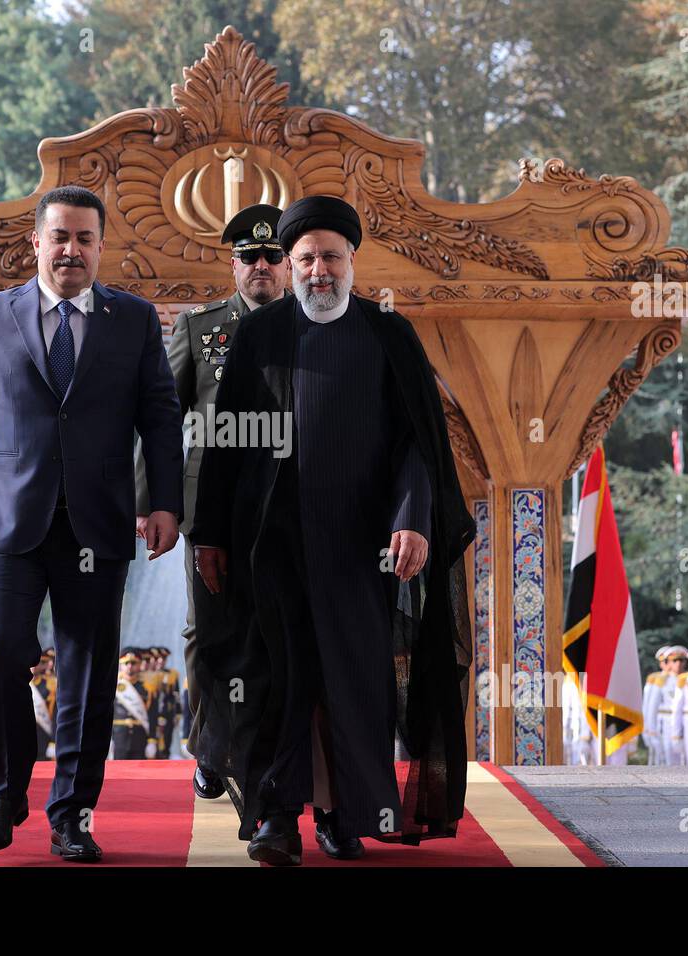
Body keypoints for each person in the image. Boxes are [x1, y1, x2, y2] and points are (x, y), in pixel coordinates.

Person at [191, 195, 477, 865]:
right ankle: (276, 819)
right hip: (273, 546)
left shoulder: (388, 333)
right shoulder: (261, 335)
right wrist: (209, 532)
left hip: (362, 548)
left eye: (331, 256)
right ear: (289, 267)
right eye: (307, 258)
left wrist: (413, 521)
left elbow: (418, 445)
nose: (320, 269)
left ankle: (343, 812)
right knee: (277, 680)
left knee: (353, 679)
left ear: (353, 261)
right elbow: (224, 444)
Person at [0, 185, 184, 862]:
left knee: (89, 671)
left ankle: (72, 815)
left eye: (85, 239)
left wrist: (165, 503)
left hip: (100, 526)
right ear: (35, 243)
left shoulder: (133, 320)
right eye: (60, 236)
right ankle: (4, 795)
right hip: (8, 522)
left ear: (101, 247)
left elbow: (160, 416)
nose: (72, 249)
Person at [134, 203, 290, 796]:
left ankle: (274, 748)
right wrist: (154, 503)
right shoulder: (201, 329)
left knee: (281, 630)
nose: (262, 267)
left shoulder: (311, 324)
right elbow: (160, 418)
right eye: (250, 257)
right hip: (213, 512)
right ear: (233, 265)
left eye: (273, 257)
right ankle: (209, 746)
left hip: (289, 506)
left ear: (288, 265)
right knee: (209, 632)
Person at [112, 650, 151, 759]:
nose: (129, 666)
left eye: (133, 663)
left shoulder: (146, 687)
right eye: (126, 663)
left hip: (139, 736)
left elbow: (152, 714)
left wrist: (152, 740)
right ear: (121, 665)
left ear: (139, 665)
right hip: (119, 735)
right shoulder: (114, 685)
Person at [657, 646, 688, 764]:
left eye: (681, 660)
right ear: (669, 662)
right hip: (667, 720)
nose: (678, 664)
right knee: (669, 754)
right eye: (675, 661)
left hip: (685, 720)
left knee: (686, 756)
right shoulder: (663, 680)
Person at [641, 647, 670, 764]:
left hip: (671, 723)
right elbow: (647, 705)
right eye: (665, 661)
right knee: (656, 756)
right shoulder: (654, 678)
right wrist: (647, 727)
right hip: (658, 721)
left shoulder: (680, 678)